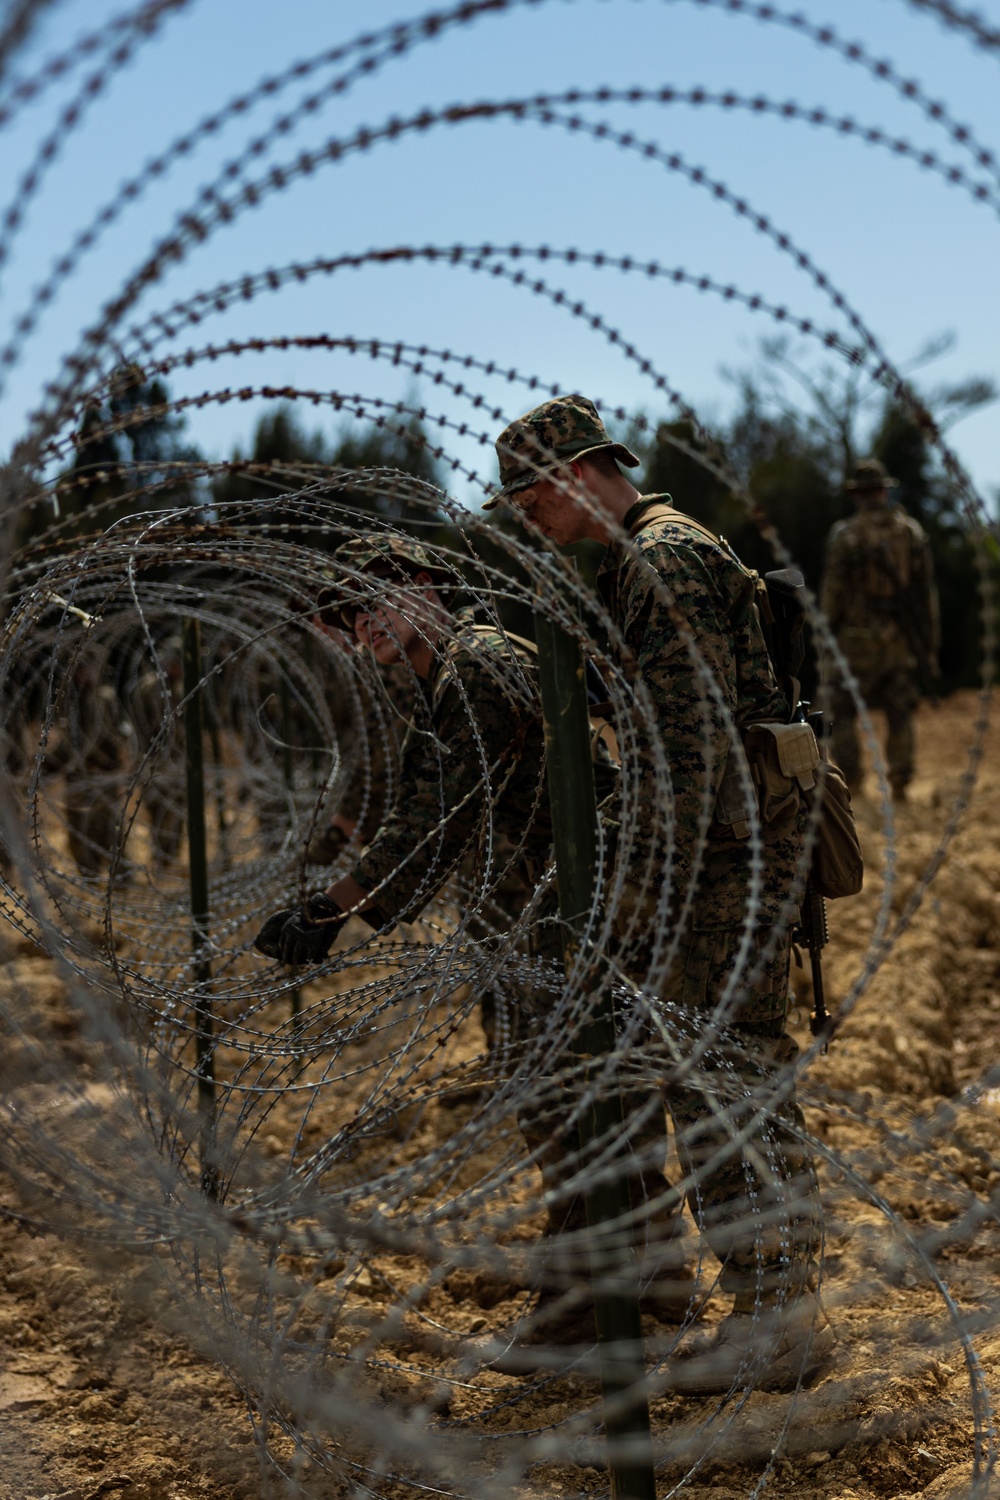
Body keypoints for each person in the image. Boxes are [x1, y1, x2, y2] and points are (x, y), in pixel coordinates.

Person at [254, 532, 691, 1341]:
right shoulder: (443, 677)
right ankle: (646, 1280)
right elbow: (434, 802)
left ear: (427, 584)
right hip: (542, 911)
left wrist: (336, 905)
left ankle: (590, 1299)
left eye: (381, 596)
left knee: (568, 1098)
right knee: (582, 1096)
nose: (366, 623)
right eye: (350, 613)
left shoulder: (476, 664)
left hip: (577, 910)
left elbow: (443, 808)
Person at [488, 394, 831, 1391]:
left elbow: (686, 752)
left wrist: (632, 899)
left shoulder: (658, 557)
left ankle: (776, 1320)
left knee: (723, 1088)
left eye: (531, 503)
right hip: (715, 866)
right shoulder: (648, 556)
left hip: (709, 877)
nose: (528, 524)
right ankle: (766, 1309)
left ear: (575, 477)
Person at [820, 457, 940, 802]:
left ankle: (852, 783)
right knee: (900, 713)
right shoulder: (911, 532)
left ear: (857, 495)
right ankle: (900, 783)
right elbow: (925, 595)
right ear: (885, 491)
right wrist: (929, 644)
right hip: (899, 639)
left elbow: (833, 591)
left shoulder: (845, 535)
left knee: (841, 711)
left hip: (854, 641)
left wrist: (826, 635)